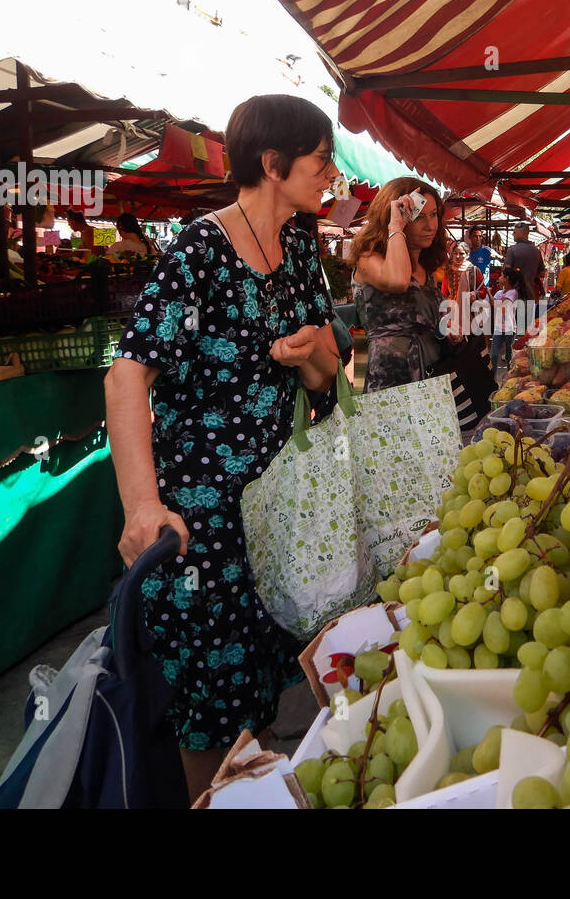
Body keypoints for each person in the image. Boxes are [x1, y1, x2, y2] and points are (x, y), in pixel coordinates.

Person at [104, 93, 343, 801]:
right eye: (321, 160)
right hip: (200, 531)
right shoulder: (198, 251)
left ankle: (253, 793)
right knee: (207, 716)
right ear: (273, 163)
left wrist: (303, 355)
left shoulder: (300, 245)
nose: (332, 174)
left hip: (276, 516)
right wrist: (142, 506)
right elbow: (125, 377)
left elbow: (329, 366)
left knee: (258, 694)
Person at [349, 178, 448, 390]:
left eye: (434, 215)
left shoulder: (426, 268)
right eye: (419, 216)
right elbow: (397, 281)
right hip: (388, 383)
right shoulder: (369, 259)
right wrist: (395, 226)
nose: (430, 226)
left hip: (430, 380)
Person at [442, 240, 490, 339]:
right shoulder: (449, 271)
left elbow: (483, 291)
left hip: (470, 312)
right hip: (452, 312)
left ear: (467, 255)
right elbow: (444, 293)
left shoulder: (474, 270)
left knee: (470, 343)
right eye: (455, 253)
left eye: (461, 253)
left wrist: (475, 294)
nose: (458, 256)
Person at [490, 265, 527, 378]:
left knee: (508, 355)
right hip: (498, 328)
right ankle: (493, 376)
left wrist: (487, 292)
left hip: (509, 328)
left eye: (501, 275)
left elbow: (496, 304)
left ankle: (511, 375)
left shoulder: (513, 293)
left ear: (507, 279)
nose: (500, 277)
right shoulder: (499, 293)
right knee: (494, 354)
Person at [505, 222, 544, 296]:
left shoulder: (512, 250)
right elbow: (542, 274)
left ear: (521, 233)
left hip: (514, 294)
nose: (513, 234)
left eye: (515, 232)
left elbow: (507, 271)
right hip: (531, 294)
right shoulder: (537, 251)